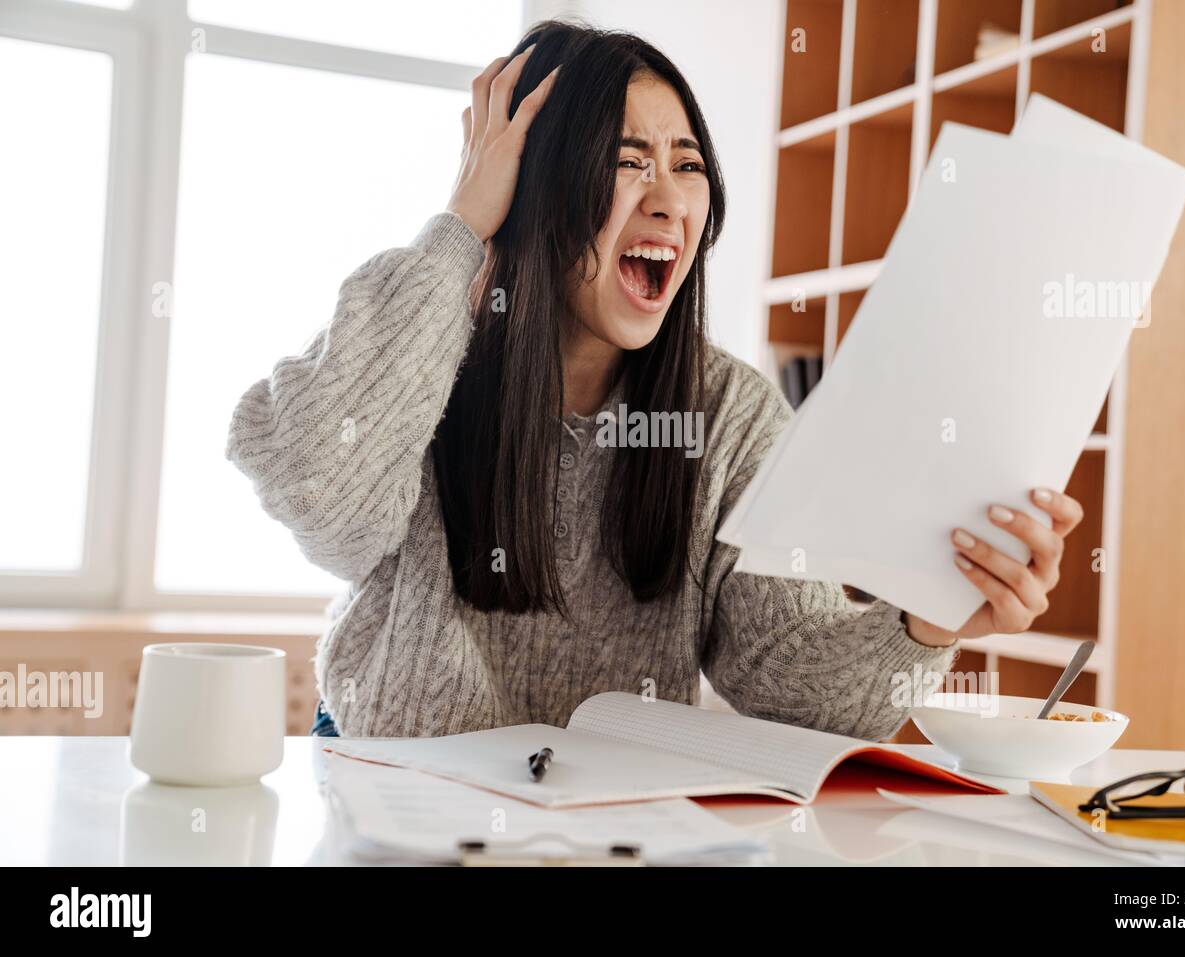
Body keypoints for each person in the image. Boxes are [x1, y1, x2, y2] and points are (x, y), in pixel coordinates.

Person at [227, 20, 1082, 739]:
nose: (670, 200)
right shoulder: (425, 358)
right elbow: (315, 488)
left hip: (614, 828)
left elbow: (786, 678)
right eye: (628, 159)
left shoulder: (729, 413)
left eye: (690, 164)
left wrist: (922, 624)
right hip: (391, 793)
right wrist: (462, 226)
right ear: (529, 188)